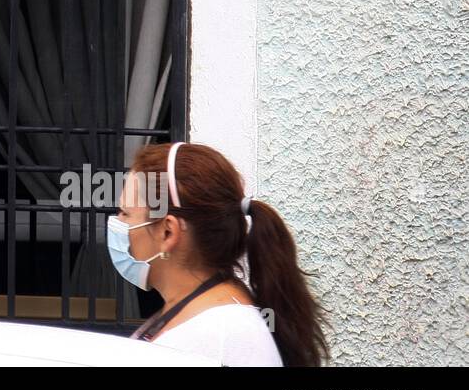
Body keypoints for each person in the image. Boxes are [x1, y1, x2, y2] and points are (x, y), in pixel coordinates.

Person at [108, 141, 329, 366]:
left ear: (168, 232)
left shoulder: (220, 334)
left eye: (125, 213)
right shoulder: (200, 312)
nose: (117, 222)